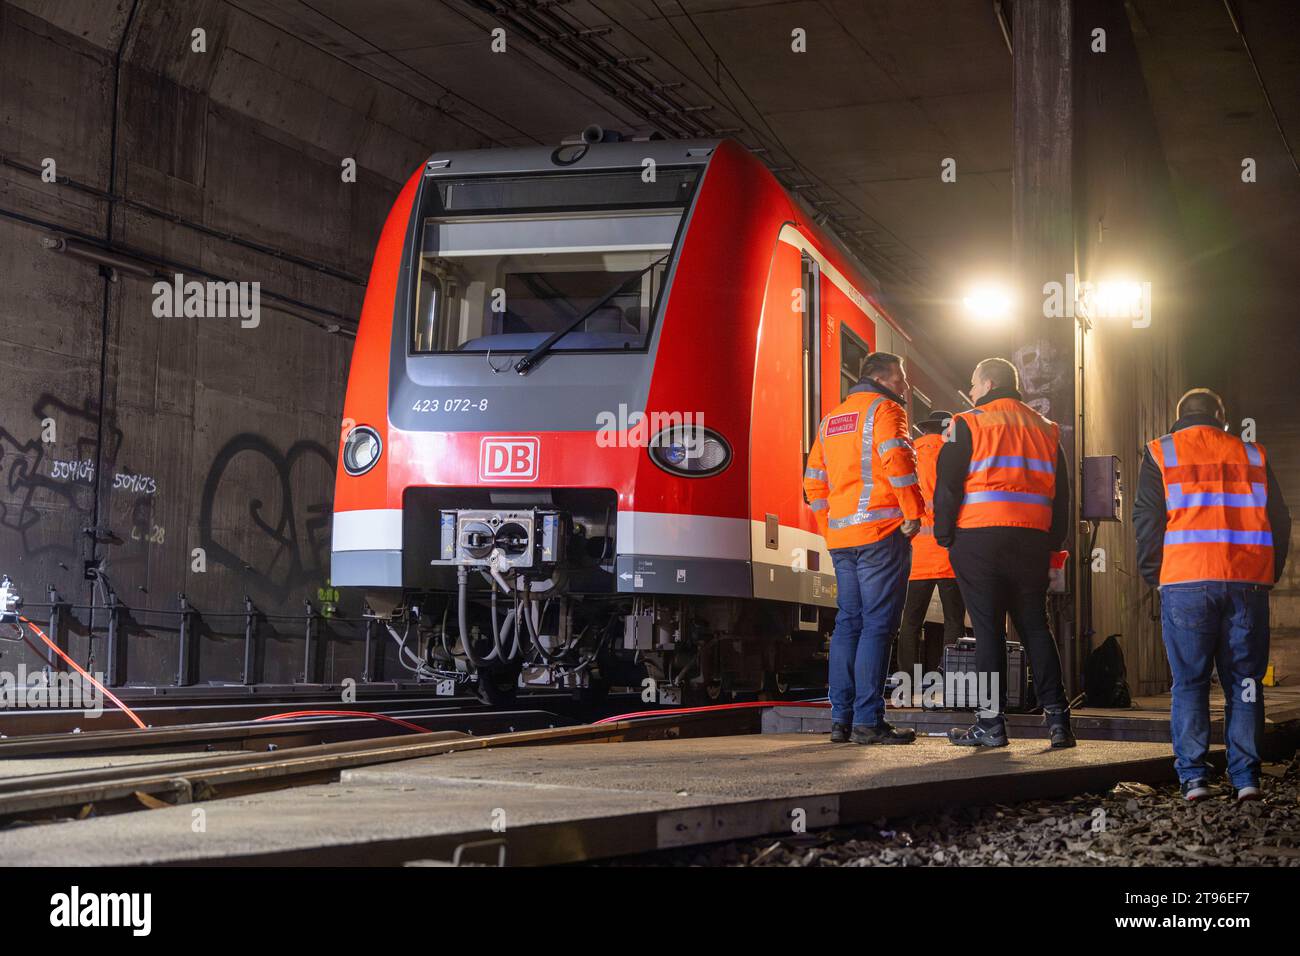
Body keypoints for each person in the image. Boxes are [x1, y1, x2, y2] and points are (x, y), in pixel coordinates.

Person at [1133, 387, 1290, 802]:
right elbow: (1280, 519)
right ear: (1222, 419)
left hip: (1185, 581)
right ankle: (1246, 779)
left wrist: (1156, 575)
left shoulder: (1160, 452)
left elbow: (1146, 519)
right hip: (1247, 583)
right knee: (1245, 683)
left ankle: (1194, 779)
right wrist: (1269, 572)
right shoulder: (1252, 454)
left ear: (1179, 416)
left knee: (1189, 682)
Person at [934, 357, 1075, 748]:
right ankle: (1059, 721)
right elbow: (1061, 495)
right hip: (1031, 540)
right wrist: (1053, 543)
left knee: (987, 630)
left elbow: (948, 485)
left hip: (979, 538)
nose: (973, 392)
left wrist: (944, 535)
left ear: (989, 382)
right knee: (1035, 627)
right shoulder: (1047, 429)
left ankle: (991, 725)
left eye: (974, 384)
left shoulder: (968, 422)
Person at [803, 352, 923, 744]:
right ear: (882, 376)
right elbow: (898, 460)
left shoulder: (830, 420)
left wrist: (830, 527)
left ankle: (841, 722)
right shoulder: (886, 409)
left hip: (843, 539)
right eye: (901, 376)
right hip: (881, 533)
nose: (905, 385)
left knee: (847, 624)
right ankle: (868, 722)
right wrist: (913, 511)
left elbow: (814, 483)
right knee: (877, 626)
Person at [896, 410, 966, 687]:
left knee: (910, 622)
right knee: (953, 621)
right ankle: (952, 681)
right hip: (949, 553)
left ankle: (907, 683)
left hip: (917, 555)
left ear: (925, 431)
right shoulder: (954, 456)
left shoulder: (910, 454)